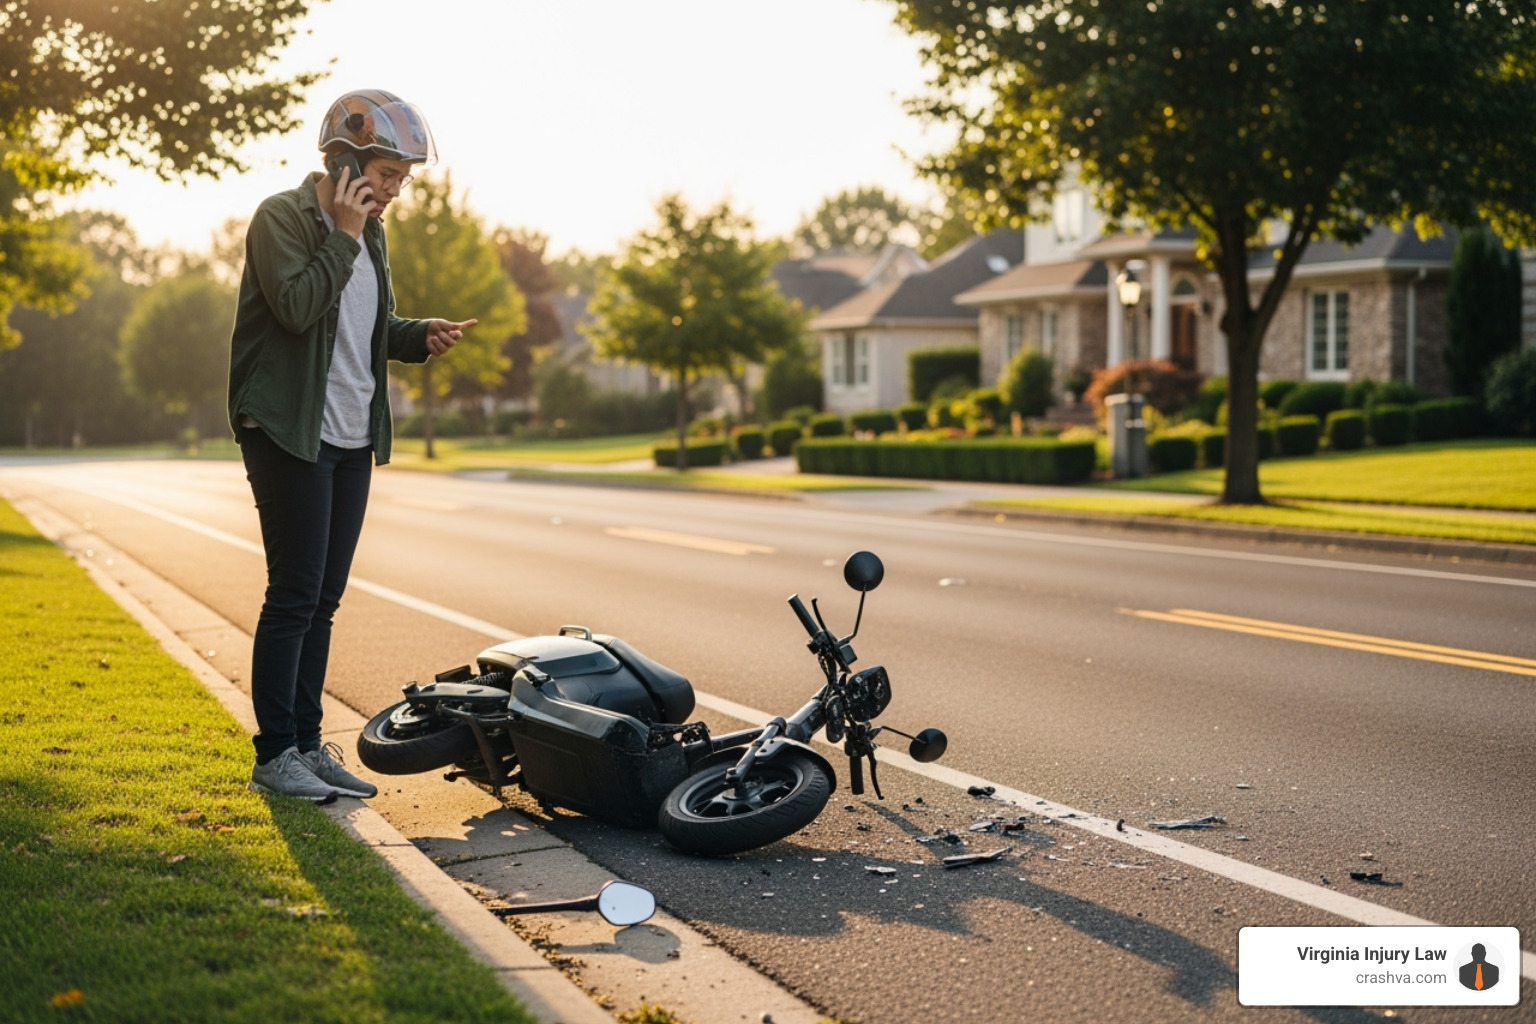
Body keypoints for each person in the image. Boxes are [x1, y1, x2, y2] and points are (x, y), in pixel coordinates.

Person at [228, 89, 478, 802]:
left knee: (326, 598)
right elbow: (301, 307)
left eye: (404, 177)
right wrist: (340, 232)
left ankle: (307, 745)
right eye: (389, 173)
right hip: (287, 430)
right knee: (294, 595)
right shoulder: (283, 218)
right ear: (344, 159)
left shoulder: (370, 233)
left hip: (347, 431)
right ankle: (275, 755)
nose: (398, 190)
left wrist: (415, 335)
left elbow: (363, 326)